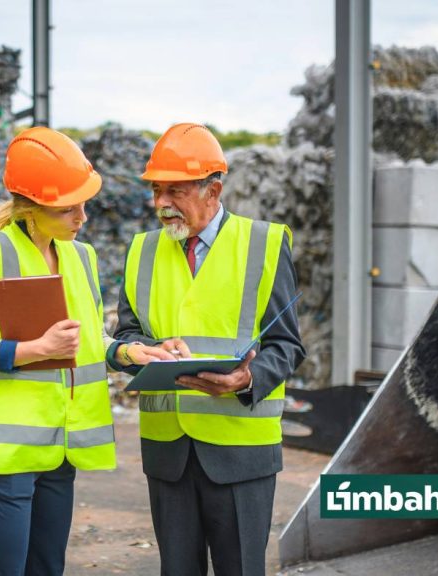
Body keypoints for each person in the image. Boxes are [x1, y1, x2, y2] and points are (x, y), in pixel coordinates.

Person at [0, 127, 172, 576]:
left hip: (58, 447)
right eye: (70, 207)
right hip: (3, 452)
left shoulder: (79, 257)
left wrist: (127, 354)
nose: (82, 216)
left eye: (84, 203)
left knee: (47, 567)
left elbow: (87, 339)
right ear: (33, 206)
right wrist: (31, 350)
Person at [114, 123, 305, 576]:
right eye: (157, 191)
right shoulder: (141, 251)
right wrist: (144, 351)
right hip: (168, 451)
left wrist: (247, 379)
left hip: (241, 452)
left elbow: (286, 343)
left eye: (175, 191)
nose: (161, 204)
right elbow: (127, 335)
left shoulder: (264, 244)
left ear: (213, 190)